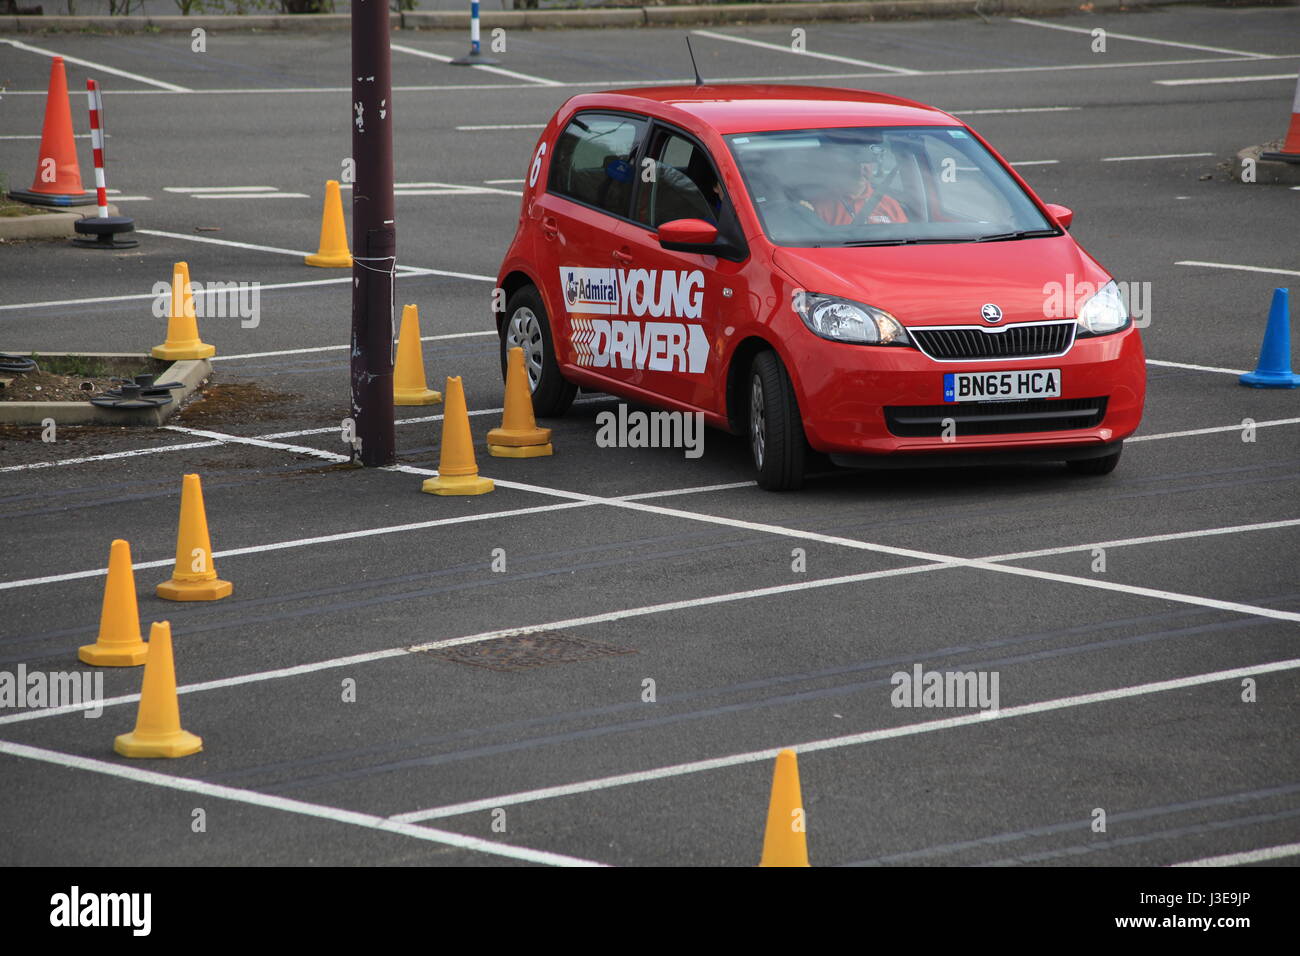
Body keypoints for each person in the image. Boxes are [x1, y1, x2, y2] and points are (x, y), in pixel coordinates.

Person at [809, 149, 908, 226]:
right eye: (854, 164)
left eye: (865, 163)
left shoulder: (890, 204)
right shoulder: (819, 206)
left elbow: (905, 240)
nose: (860, 171)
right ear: (839, 167)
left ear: (872, 166)